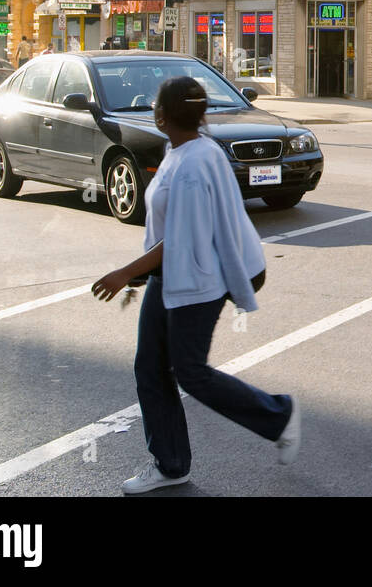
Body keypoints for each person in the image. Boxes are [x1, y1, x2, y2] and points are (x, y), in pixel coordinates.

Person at [90, 76, 298, 495]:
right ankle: (171, 464)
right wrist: (143, 276)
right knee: (149, 367)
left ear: (163, 115)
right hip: (173, 275)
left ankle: (278, 415)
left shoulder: (190, 165)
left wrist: (125, 273)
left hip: (199, 278)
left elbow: (180, 240)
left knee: (190, 372)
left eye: (154, 105)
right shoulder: (187, 148)